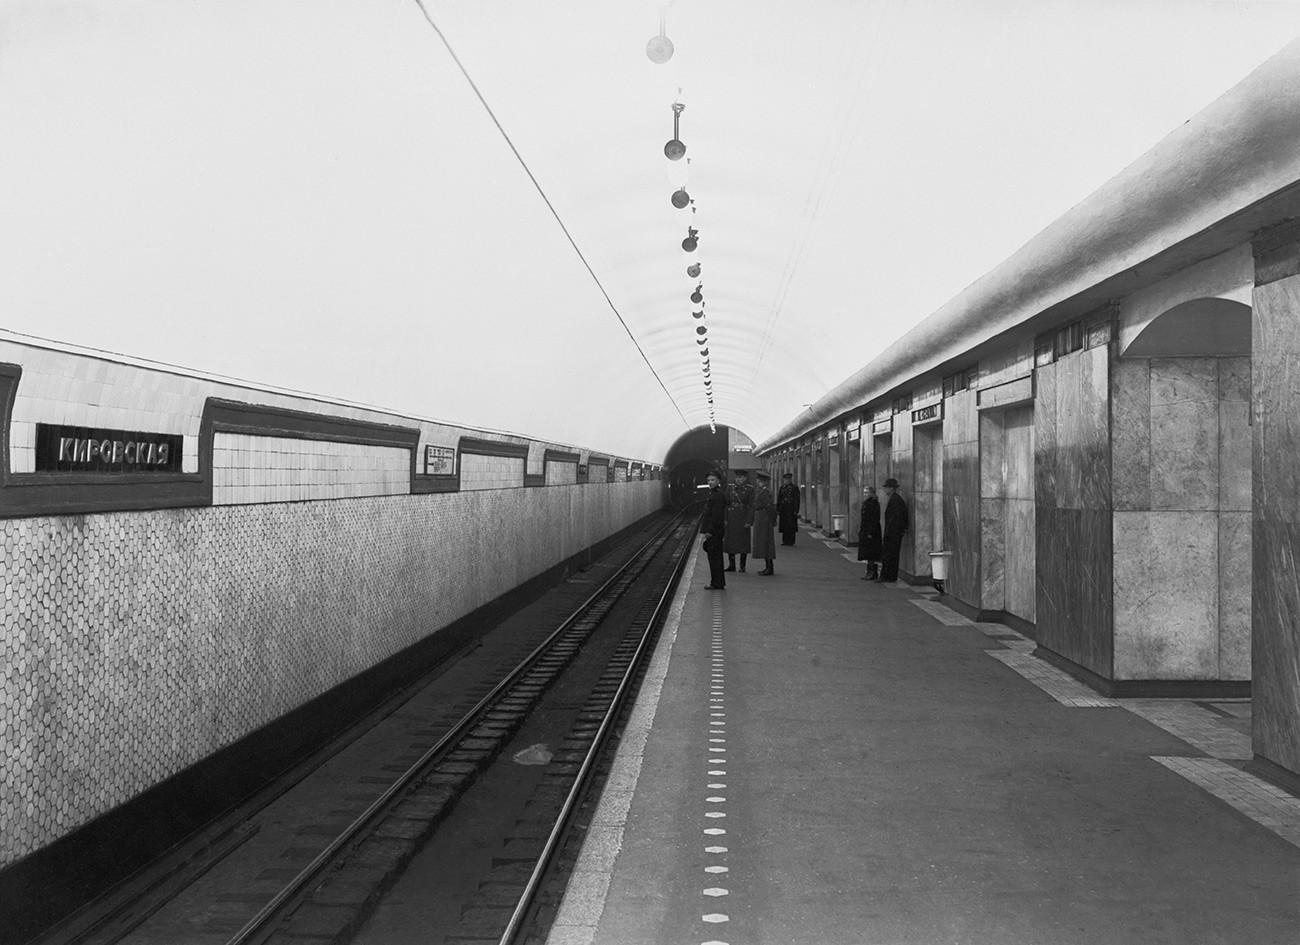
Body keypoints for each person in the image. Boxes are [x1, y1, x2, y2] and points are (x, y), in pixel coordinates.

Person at [879, 477, 909, 584]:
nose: (885, 489)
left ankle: (887, 576)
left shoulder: (895, 500)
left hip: (893, 533)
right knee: (891, 555)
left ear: (891, 488)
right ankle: (889, 576)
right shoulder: (895, 499)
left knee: (890, 555)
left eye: (887, 487)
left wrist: (893, 531)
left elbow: (897, 518)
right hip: (893, 532)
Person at [723, 469, 754, 572]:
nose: (738, 479)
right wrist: (725, 518)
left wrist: (749, 521)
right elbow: (726, 504)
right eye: (736, 477)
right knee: (730, 541)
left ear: (745, 478)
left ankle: (742, 565)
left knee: (743, 542)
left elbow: (752, 506)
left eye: (740, 477)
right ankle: (731, 564)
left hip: (742, 517)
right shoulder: (730, 488)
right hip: (731, 517)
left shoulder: (750, 490)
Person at [700, 470, 727, 589]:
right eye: (709, 480)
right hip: (716, 530)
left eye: (713, 480)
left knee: (715, 558)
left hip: (715, 531)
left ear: (718, 481)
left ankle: (717, 583)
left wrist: (709, 531)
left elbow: (716, 515)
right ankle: (717, 582)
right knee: (714, 557)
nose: (710, 482)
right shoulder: (715, 493)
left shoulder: (717, 495)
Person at [751, 470, 777, 575]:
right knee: (764, 542)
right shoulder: (761, 490)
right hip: (762, 518)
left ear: (760, 480)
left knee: (766, 542)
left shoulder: (764, 492)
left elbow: (769, 506)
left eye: (758, 479)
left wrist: (773, 520)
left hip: (764, 519)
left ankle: (769, 567)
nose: (757, 480)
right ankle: (768, 566)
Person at [857, 485, 883, 580]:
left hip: (871, 532)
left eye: (866, 493)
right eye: (864, 493)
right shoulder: (867, 503)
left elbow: (874, 519)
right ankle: (870, 571)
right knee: (868, 552)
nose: (864, 494)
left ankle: (872, 572)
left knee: (871, 552)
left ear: (872, 494)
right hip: (866, 531)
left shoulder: (873, 504)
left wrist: (870, 532)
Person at [777, 472, 801, 546]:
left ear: (791, 479)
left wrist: (796, 509)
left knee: (791, 525)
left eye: (789, 479)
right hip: (784, 509)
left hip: (791, 509)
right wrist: (778, 508)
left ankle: (791, 540)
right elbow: (779, 498)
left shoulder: (794, 488)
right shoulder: (782, 487)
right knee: (784, 525)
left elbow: (797, 499)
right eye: (786, 479)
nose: (787, 480)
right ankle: (785, 540)